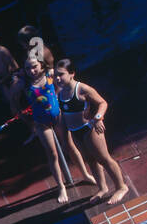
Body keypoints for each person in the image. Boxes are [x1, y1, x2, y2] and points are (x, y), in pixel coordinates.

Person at [53, 59, 129, 204]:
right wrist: (64, 139)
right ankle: (102, 188)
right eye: (55, 75)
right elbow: (64, 117)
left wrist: (98, 118)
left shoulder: (82, 89)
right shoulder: (60, 93)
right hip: (75, 132)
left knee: (104, 159)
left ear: (72, 74)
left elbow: (102, 103)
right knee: (91, 160)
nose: (57, 78)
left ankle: (121, 187)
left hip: (89, 129)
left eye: (61, 75)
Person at [21, 56, 95, 205]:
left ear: (41, 65)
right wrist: (29, 123)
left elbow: (64, 75)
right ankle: (61, 187)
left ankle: (85, 174)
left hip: (58, 117)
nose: (31, 70)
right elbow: (14, 102)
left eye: (34, 66)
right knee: (52, 153)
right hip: (41, 123)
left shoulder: (51, 74)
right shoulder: (24, 83)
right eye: (28, 68)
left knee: (70, 146)